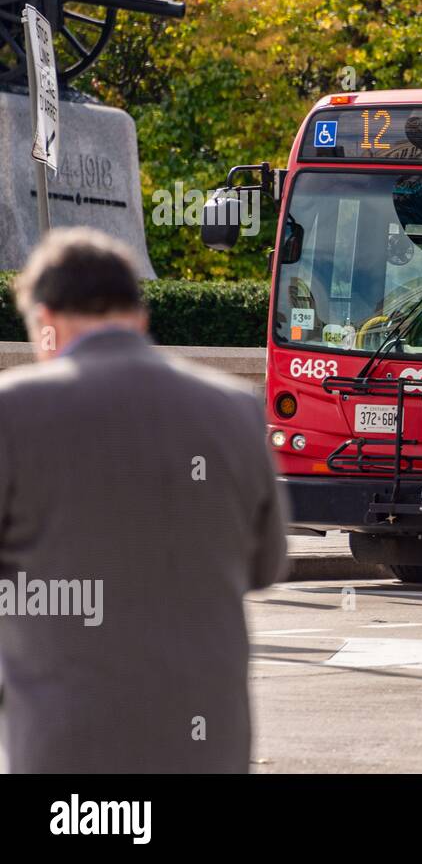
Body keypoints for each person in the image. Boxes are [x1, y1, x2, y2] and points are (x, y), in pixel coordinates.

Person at [0, 229, 288, 772]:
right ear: (139, 317)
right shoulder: (235, 410)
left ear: (46, 323)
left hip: (67, 748)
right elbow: (266, 564)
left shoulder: (13, 413)